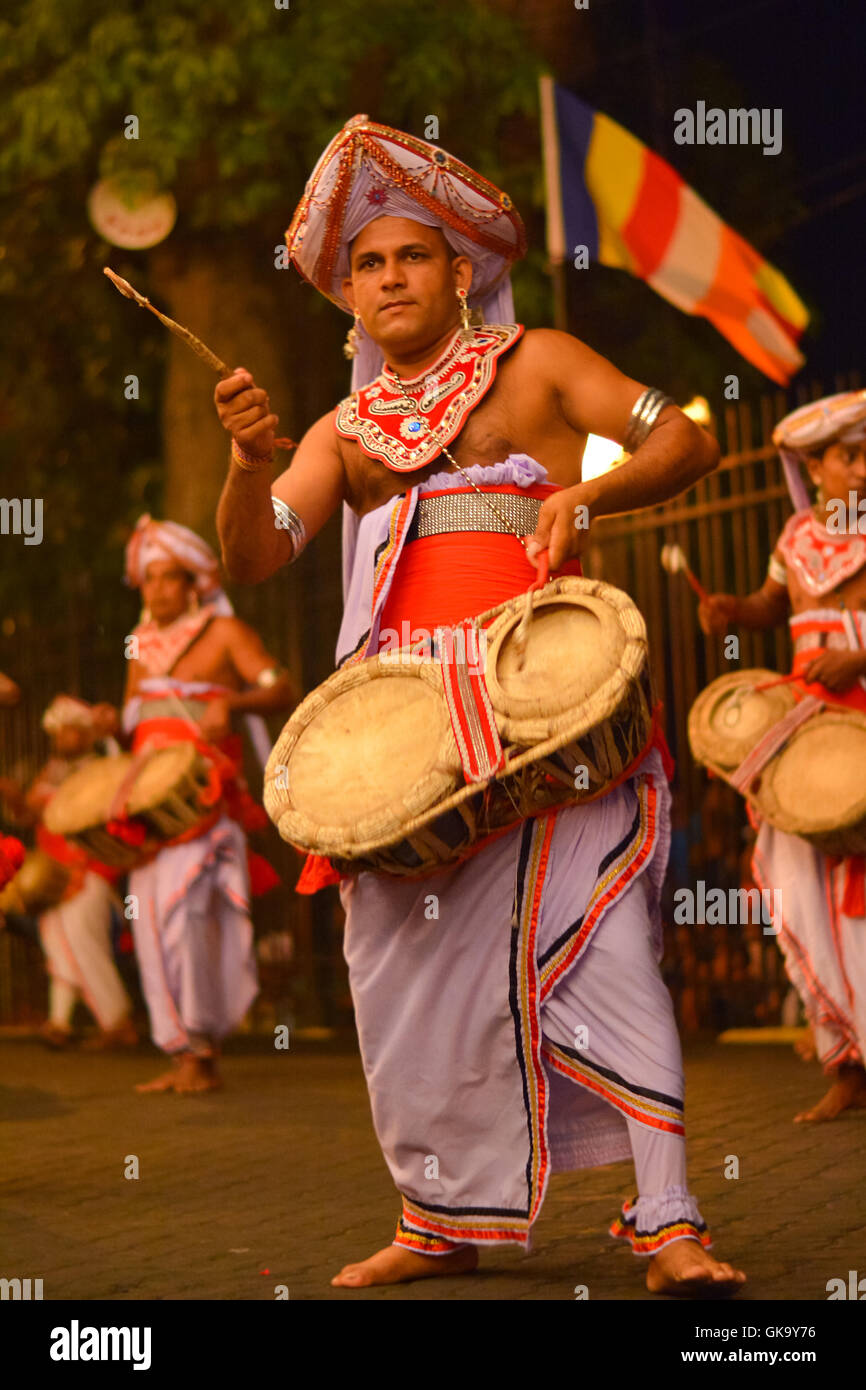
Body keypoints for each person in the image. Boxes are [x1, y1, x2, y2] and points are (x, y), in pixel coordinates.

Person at [214, 118, 744, 1294]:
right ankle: (439, 1218)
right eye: (368, 266)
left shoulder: (540, 363)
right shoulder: (345, 433)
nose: (389, 279)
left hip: (549, 720)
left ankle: (667, 1222)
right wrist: (249, 467)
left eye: (411, 257)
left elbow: (681, 439)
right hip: (406, 744)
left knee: (605, 954)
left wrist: (587, 501)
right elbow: (258, 555)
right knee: (401, 980)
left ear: (462, 273)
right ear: (348, 297)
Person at [699, 390, 866, 1122]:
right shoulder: (795, 536)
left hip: (858, 726)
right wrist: (735, 610)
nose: (860, 471)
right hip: (802, 732)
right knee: (800, 885)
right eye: (847, 457)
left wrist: (858, 660)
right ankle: (846, 1063)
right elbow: (776, 606)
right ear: (817, 467)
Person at [122, 516, 297, 1093]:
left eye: (169, 578)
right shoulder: (139, 645)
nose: (157, 590)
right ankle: (179, 1053)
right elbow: (132, 722)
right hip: (149, 805)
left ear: (195, 580)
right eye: (149, 581)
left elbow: (281, 684)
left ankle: (203, 1049)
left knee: (186, 917)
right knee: (148, 920)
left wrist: (235, 702)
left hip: (205, 801)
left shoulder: (226, 633)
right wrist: (108, 723)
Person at [0, 695, 135, 1048]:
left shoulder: (103, 769)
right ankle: (59, 1022)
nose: (61, 739)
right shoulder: (50, 772)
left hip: (90, 868)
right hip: (52, 872)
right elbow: (28, 816)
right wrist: (10, 793)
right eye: (57, 733)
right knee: (56, 939)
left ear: (87, 734)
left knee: (81, 938)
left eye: (69, 732)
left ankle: (117, 1021)